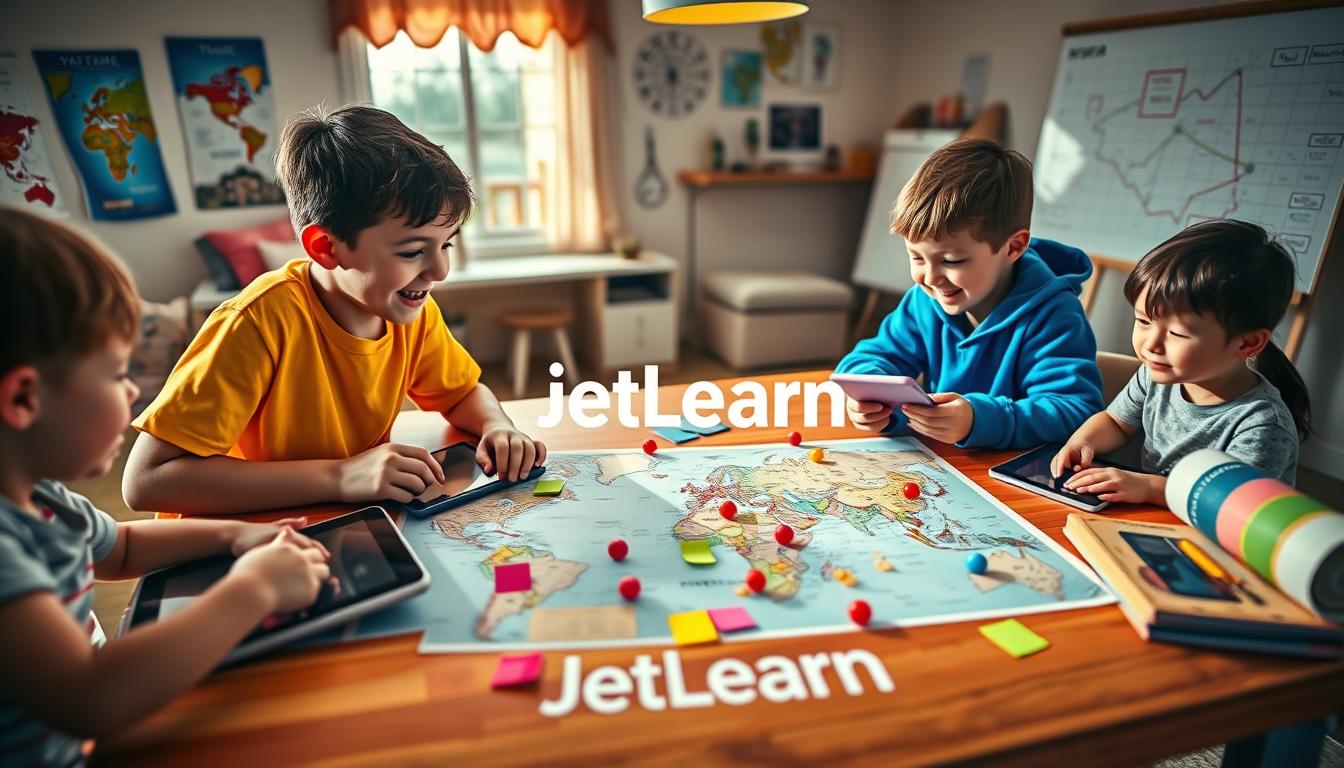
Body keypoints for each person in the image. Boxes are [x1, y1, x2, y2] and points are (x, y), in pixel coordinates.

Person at [0, 208, 332, 766]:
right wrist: (254, 590)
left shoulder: (42, 499)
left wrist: (237, 538)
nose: (132, 394)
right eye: (115, 374)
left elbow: (122, 548)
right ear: (23, 400)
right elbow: (91, 697)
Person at [124, 105, 546, 515]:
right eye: (414, 251)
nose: (439, 271)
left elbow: (461, 392)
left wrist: (497, 425)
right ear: (326, 248)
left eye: (447, 243)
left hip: (343, 521)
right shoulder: (255, 323)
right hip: (250, 540)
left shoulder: (411, 310)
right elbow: (146, 481)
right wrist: (341, 477)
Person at [836, 137, 1103, 448]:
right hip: (944, 468)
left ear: (1013, 247)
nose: (932, 277)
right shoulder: (924, 301)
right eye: (917, 257)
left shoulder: (1055, 314)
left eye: (952, 260)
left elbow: (1076, 412)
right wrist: (872, 399)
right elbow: (874, 356)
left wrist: (979, 419)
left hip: (1013, 480)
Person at [1053, 220, 1309, 502]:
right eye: (1143, 321)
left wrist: (1149, 488)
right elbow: (1116, 422)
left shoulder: (1262, 424)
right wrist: (1083, 441)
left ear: (1247, 343)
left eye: (1177, 333)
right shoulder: (1154, 375)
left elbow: (1230, 501)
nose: (1151, 345)